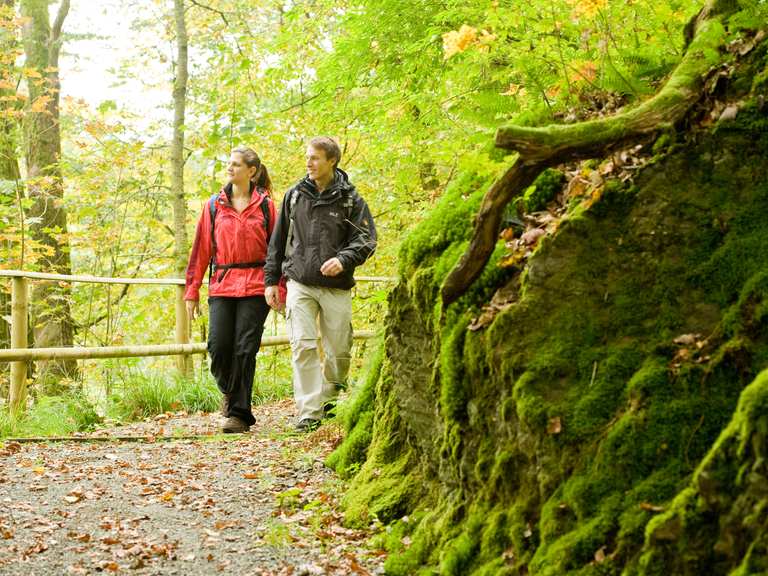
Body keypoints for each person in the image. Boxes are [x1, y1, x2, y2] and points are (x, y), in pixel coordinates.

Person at [264, 136, 377, 432]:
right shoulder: (294, 197)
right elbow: (277, 242)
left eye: (315, 158)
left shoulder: (350, 199)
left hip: (336, 286)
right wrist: (271, 281)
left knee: (339, 351)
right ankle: (309, 412)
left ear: (332, 161)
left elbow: (366, 239)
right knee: (302, 345)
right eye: (307, 157)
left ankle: (328, 400)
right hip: (299, 282)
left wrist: (344, 259)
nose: (309, 163)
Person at [184, 146, 278, 434]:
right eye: (229, 164)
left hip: (256, 285)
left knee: (245, 348)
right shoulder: (214, 205)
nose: (230, 169)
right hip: (223, 284)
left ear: (252, 171)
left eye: (236, 165)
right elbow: (201, 249)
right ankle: (230, 392)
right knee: (218, 347)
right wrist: (192, 290)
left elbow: (277, 249)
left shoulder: (267, 206)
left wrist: (278, 285)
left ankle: (238, 413)